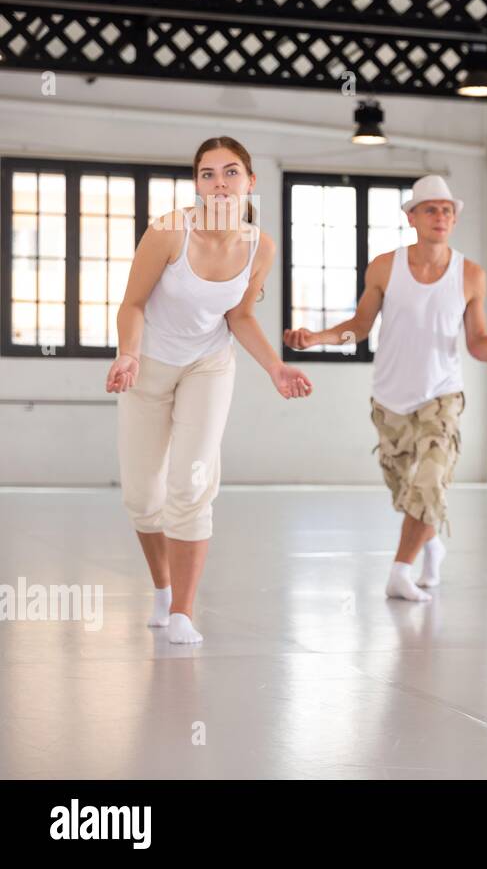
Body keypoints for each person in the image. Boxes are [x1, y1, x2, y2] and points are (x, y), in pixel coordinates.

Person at [284, 174, 487, 601]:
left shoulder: (471, 275)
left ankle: (399, 572)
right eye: (431, 209)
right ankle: (431, 547)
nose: (441, 216)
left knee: (429, 486)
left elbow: (477, 343)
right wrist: (316, 339)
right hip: (389, 401)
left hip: (441, 399)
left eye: (447, 210)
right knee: (407, 494)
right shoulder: (385, 267)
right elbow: (359, 327)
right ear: (411, 217)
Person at [107, 136, 313, 645]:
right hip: (149, 363)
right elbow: (132, 303)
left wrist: (275, 367)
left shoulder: (259, 246)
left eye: (230, 173)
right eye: (207, 174)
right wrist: (128, 353)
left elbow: (239, 314)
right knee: (141, 494)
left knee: (191, 485)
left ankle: (183, 610)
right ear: (196, 182)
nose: (218, 183)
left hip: (209, 363)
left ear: (249, 181)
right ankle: (161, 587)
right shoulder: (168, 232)